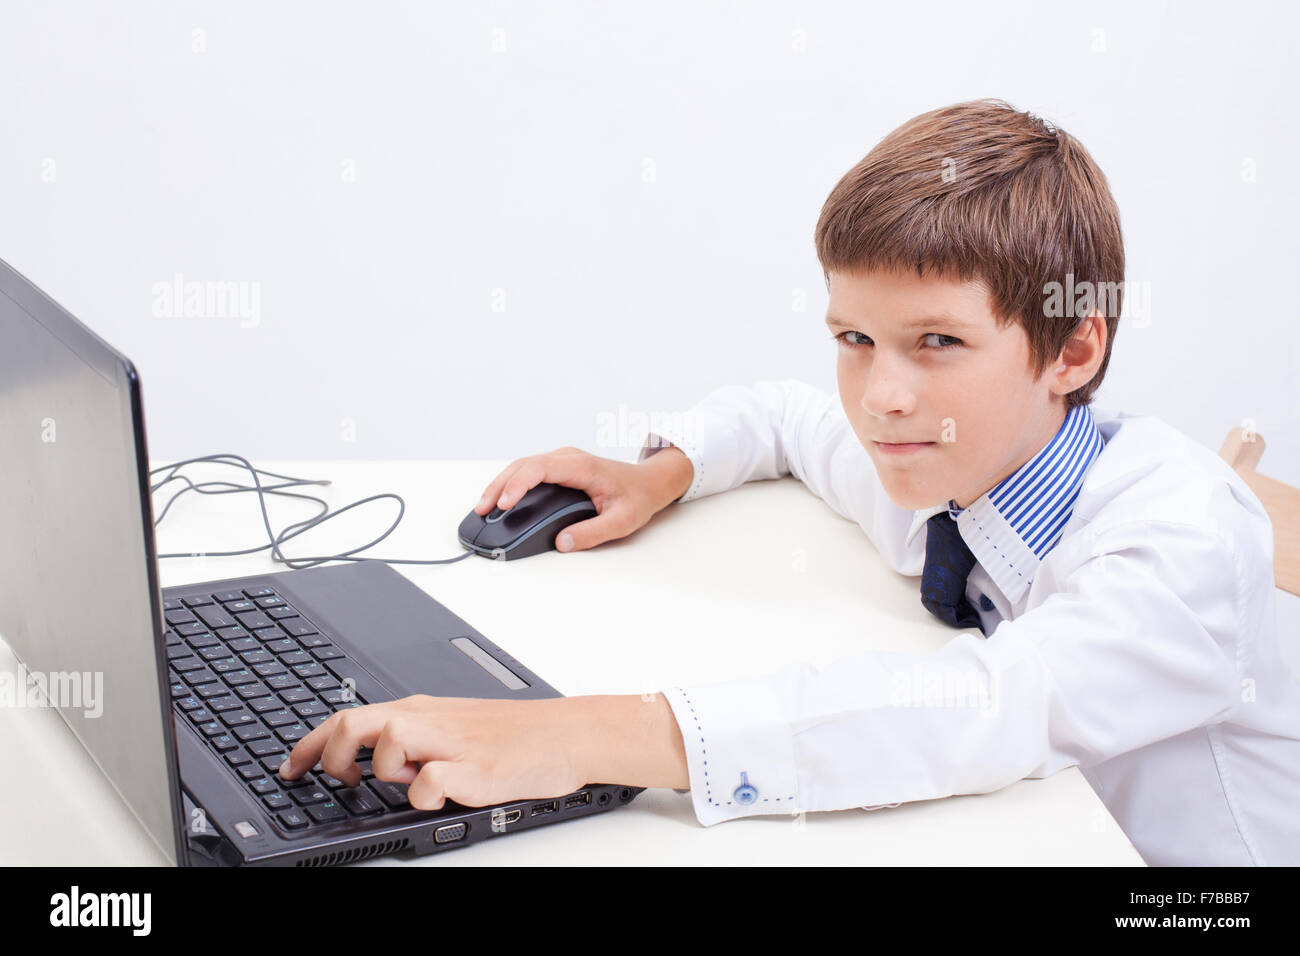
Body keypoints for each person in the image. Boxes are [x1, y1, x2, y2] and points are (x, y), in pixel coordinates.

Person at [280, 98, 1300, 866]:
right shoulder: (950, 459)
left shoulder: (1180, 543)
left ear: (1071, 350)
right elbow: (784, 416)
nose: (880, 396)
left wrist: (578, 732)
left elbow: (987, 705)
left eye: (937, 341)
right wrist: (658, 473)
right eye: (854, 338)